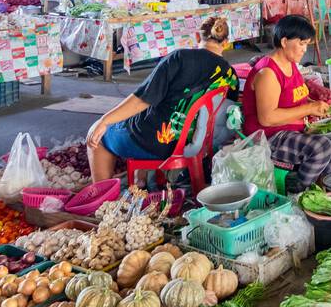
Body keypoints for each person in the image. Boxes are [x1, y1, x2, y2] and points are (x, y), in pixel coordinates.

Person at [86, 16, 239, 183]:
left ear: (197, 37)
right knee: (141, 118)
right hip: (195, 143)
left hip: (157, 141)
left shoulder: (179, 58)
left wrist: (104, 120)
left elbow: (142, 99)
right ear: (226, 42)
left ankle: (102, 199)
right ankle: (140, 179)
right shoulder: (230, 75)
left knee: (98, 136)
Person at [241, 15, 331, 194]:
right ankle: (300, 193)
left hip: (297, 127)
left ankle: (324, 185)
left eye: (306, 44)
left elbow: (297, 98)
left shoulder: (291, 64)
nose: (305, 50)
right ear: (284, 41)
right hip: (270, 136)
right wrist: (310, 108)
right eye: (302, 43)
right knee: (321, 148)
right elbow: (267, 118)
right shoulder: (268, 73)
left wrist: (317, 107)